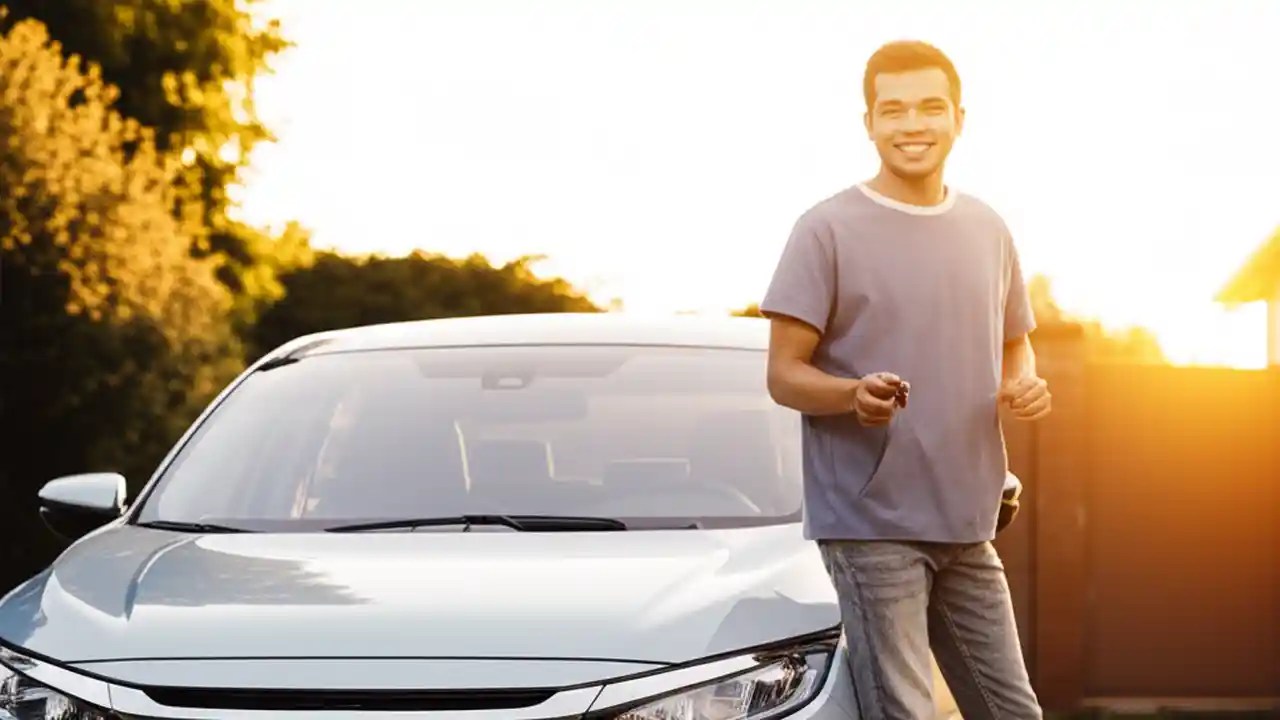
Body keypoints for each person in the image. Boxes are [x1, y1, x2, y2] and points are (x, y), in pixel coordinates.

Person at [760, 39, 1051, 719]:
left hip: (969, 521)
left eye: (929, 107)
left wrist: (1023, 383)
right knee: (905, 712)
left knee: (1013, 712)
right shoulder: (825, 229)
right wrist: (849, 395)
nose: (912, 124)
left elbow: (1017, 347)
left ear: (958, 118)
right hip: (871, 527)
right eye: (893, 110)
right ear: (869, 123)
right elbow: (783, 375)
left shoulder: (989, 229)